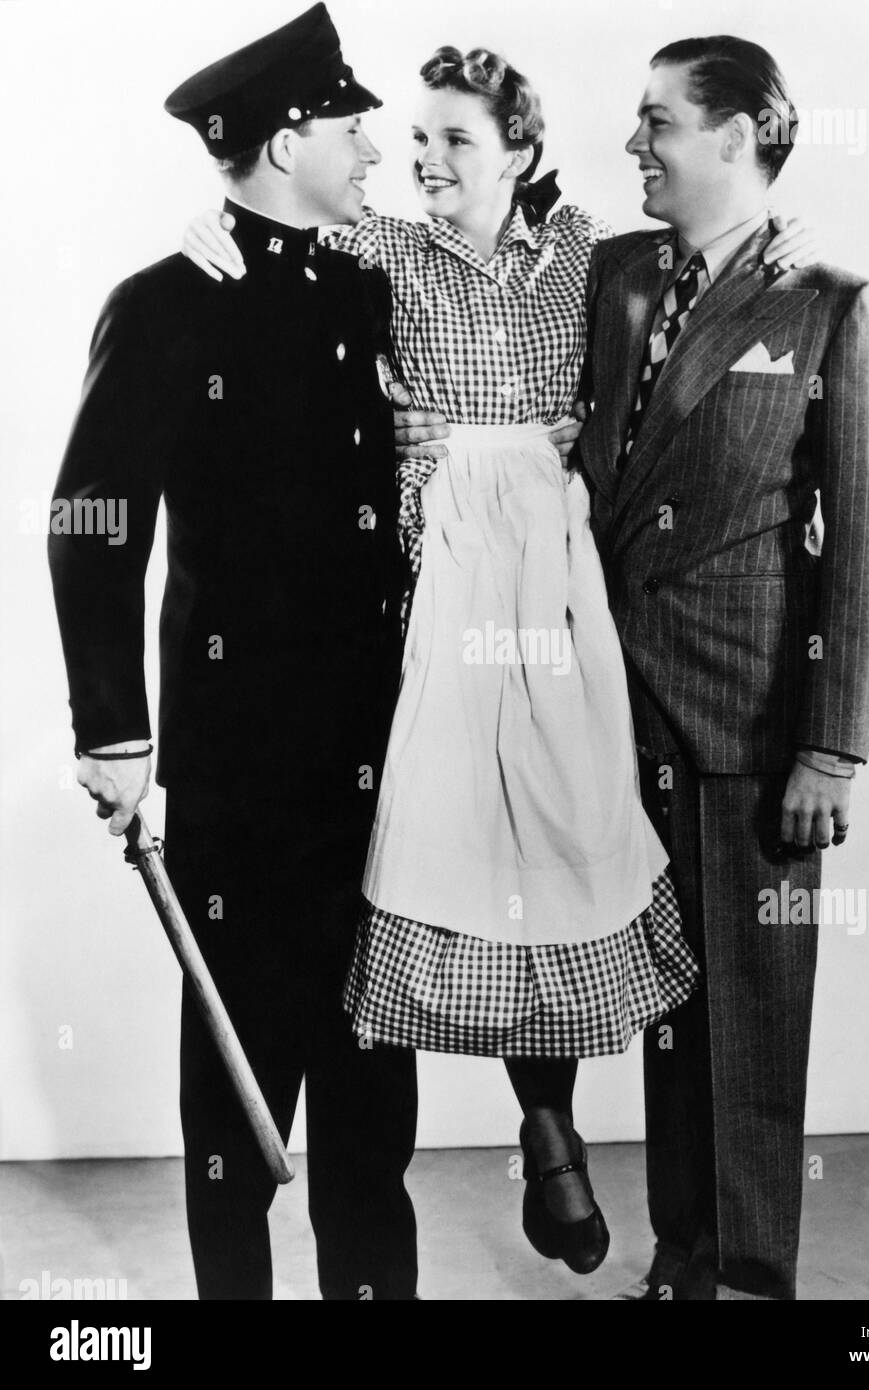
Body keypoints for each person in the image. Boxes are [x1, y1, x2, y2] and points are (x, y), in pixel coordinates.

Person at [182, 42, 815, 1278]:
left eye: (456, 141)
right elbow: (275, 237)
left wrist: (786, 242)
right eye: (414, 143)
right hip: (437, 580)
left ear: (521, 150)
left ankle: (548, 1124)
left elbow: (716, 252)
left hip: (555, 572)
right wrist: (203, 228)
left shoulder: (592, 248)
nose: (423, 162)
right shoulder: (378, 252)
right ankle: (530, 1126)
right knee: (455, 837)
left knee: (561, 827)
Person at [49, 4, 418, 1300]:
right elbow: (92, 518)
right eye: (348, 121)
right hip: (242, 777)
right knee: (236, 1122)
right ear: (280, 141)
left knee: (373, 1109)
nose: (372, 142)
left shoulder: (380, 288)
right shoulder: (165, 308)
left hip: (382, 769)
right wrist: (114, 729)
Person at [570, 36, 869, 1299]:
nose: (633, 144)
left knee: (751, 1024)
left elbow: (866, 542)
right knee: (668, 1009)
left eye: (655, 120)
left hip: (752, 720)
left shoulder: (830, 304)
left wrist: (832, 743)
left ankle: (751, 1274)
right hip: (617, 712)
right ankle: (681, 1260)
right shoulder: (609, 277)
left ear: (738, 134)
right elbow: (479, 267)